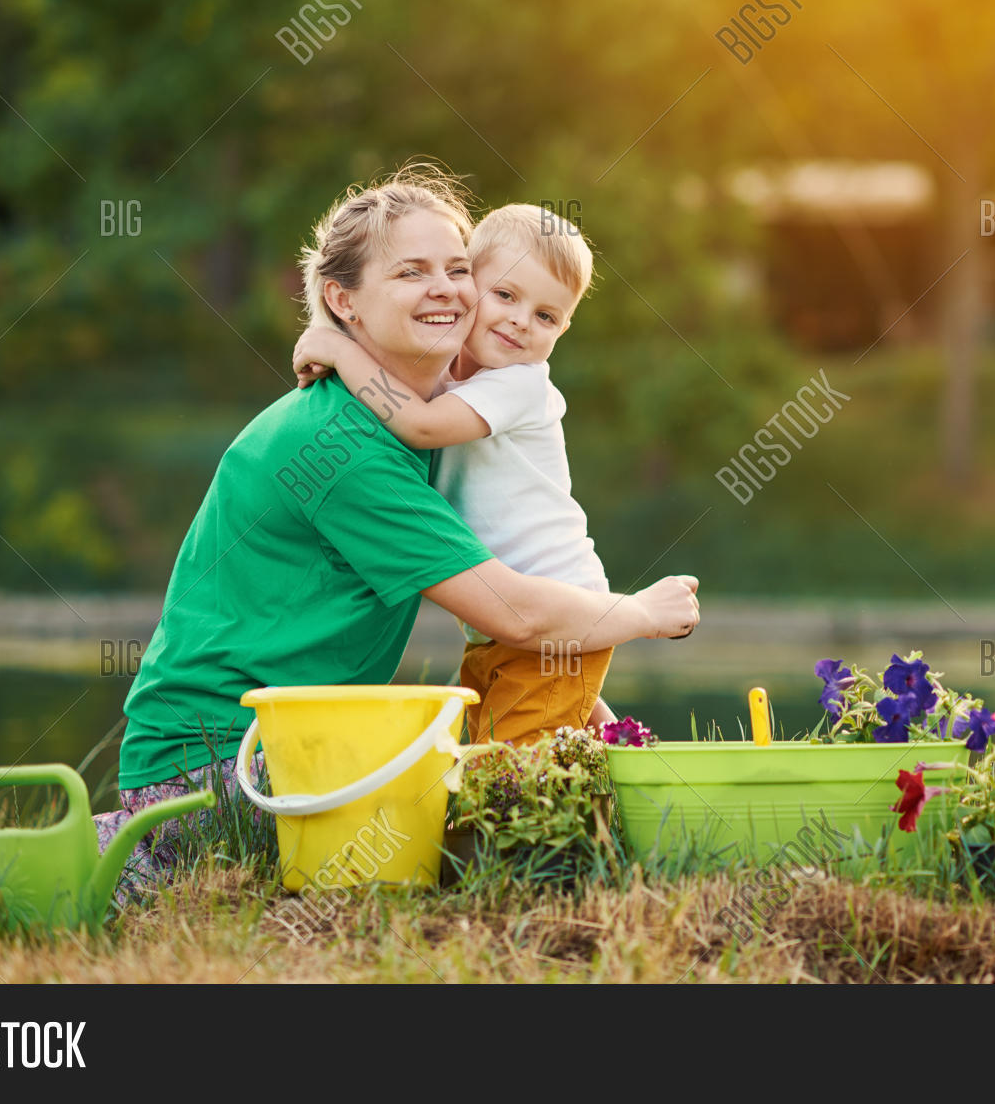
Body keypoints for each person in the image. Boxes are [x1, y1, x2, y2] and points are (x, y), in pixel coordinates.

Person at [95, 167, 699, 891]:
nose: (444, 288)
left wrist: (590, 718)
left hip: (298, 748)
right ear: (342, 300)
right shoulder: (342, 445)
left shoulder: (431, 420)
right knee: (492, 816)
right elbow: (512, 611)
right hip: (223, 771)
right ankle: (132, 859)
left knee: (505, 781)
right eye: (411, 272)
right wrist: (638, 613)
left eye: (455, 268)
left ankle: (114, 853)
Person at [291, 203, 616, 747]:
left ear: (564, 326)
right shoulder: (455, 379)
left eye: (546, 316)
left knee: (510, 774)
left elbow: (417, 425)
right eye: (506, 296)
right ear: (471, 286)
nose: (519, 320)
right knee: (503, 760)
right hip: (497, 628)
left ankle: (546, 831)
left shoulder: (520, 384)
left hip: (553, 614)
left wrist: (342, 352)